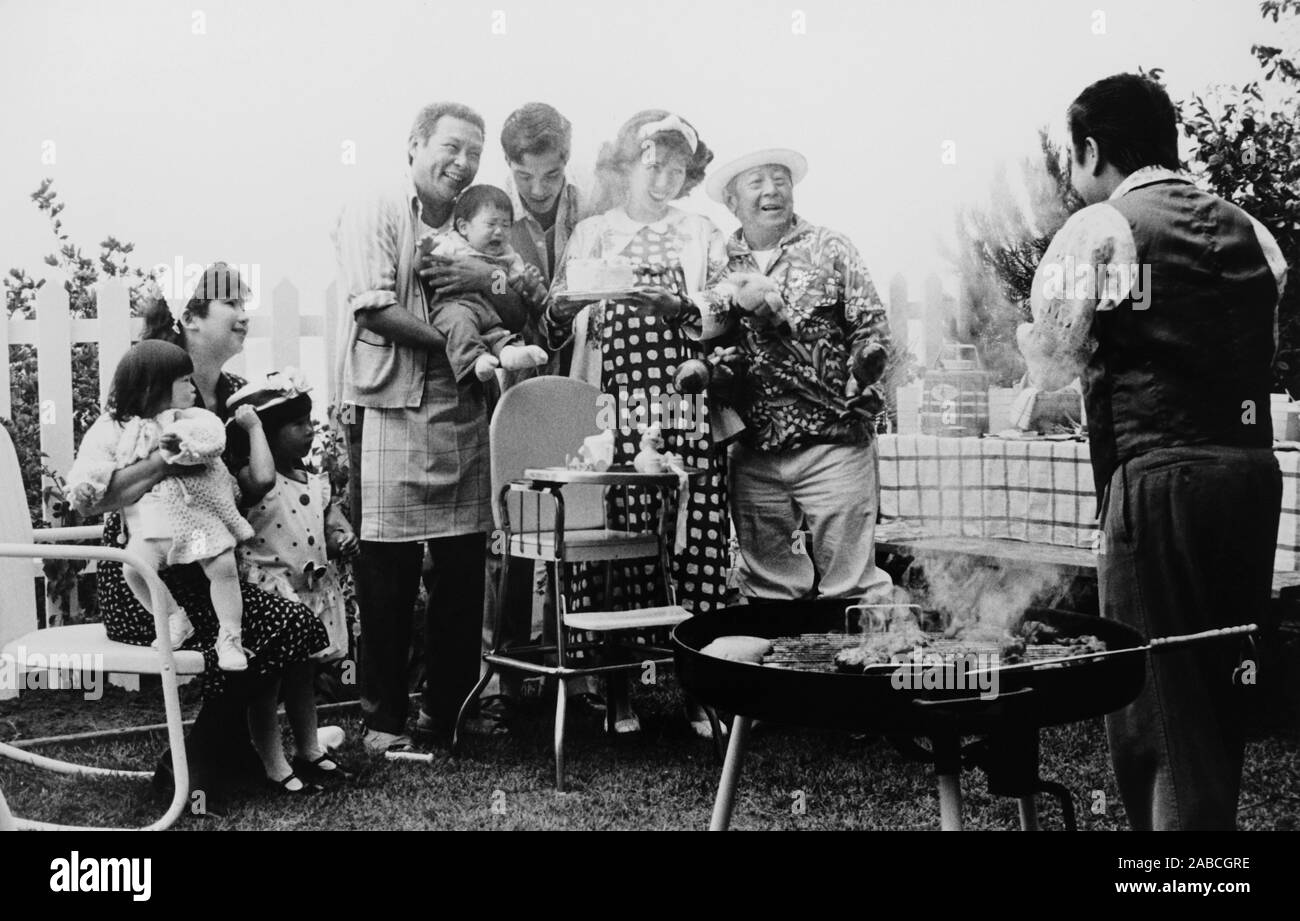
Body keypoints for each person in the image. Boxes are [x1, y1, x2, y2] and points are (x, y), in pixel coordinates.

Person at [1018, 73, 1288, 830]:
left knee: (1159, 698)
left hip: (1158, 479)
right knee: (1221, 679)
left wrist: (1028, 353)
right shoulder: (1251, 232)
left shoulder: (1101, 227)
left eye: (1073, 161)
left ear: (1092, 149)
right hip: (1249, 476)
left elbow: (1052, 356)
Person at [68, 264, 330, 806]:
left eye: (245, 302)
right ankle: (195, 767)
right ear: (189, 318)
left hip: (213, 564)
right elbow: (103, 490)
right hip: (146, 580)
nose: (244, 314)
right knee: (277, 626)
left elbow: (250, 488)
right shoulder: (144, 384)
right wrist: (170, 459)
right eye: (232, 303)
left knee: (287, 624)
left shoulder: (232, 396)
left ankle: (223, 753)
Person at [334, 102, 521, 753]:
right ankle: (384, 717)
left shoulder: (477, 221)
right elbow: (373, 309)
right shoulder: (380, 206)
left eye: (474, 152)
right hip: (393, 402)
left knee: (464, 564)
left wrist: (487, 280)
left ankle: (449, 710)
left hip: (465, 408)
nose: (463, 162)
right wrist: (456, 346)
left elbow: (520, 299)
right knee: (387, 566)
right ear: (415, 144)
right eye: (451, 147)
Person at [542, 110, 729, 735]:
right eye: (654, 164)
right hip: (614, 406)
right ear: (628, 164)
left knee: (697, 540)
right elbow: (555, 320)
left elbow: (728, 311)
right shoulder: (595, 232)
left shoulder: (701, 231)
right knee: (618, 544)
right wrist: (564, 308)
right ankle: (618, 691)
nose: (665, 177)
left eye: (679, 168)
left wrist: (687, 306)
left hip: (685, 403)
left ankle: (699, 691)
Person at [701, 148, 894, 605]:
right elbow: (703, 337)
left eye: (780, 179)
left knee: (852, 586)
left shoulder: (831, 247)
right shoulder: (717, 262)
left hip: (834, 443)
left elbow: (873, 326)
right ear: (732, 201)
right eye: (757, 182)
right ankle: (784, 672)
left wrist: (864, 373)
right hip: (755, 454)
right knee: (771, 588)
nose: (772, 190)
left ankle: (861, 669)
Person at [71, 340, 259, 671]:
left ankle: (230, 636)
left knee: (222, 565)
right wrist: (85, 486)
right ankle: (174, 616)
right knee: (134, 569)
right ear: (153, 386)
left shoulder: (186, 416)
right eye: (184, 380)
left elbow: (211, 436)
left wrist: (183, 444)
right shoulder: (110, 427)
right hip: (151, 525)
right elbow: (91, 462)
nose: (192, 387)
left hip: (194, 519)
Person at [228, 369, 358, 787]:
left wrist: (343, 539)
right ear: (265, 433)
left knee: (303, 676)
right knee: (267, 683)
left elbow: (325, 527)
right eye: (297, 424)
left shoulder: (313, 482)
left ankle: (309, 749)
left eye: (309, 421)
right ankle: (273, 762)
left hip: (306, 591)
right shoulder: (251, 479)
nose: (309, 431)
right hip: (271, 594)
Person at [422, 184, 550, 383]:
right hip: (456, 306)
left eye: (506, 225)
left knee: (499, 333)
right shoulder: (452, 244)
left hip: (491, 313)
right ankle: (475, 361)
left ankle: (509, 354)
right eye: (491, 224)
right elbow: (425, 269)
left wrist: (529, 285)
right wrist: (423, 253)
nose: (499, 232)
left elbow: (512, 297)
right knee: (461, 325)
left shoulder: (509, 256)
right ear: (464, 227)